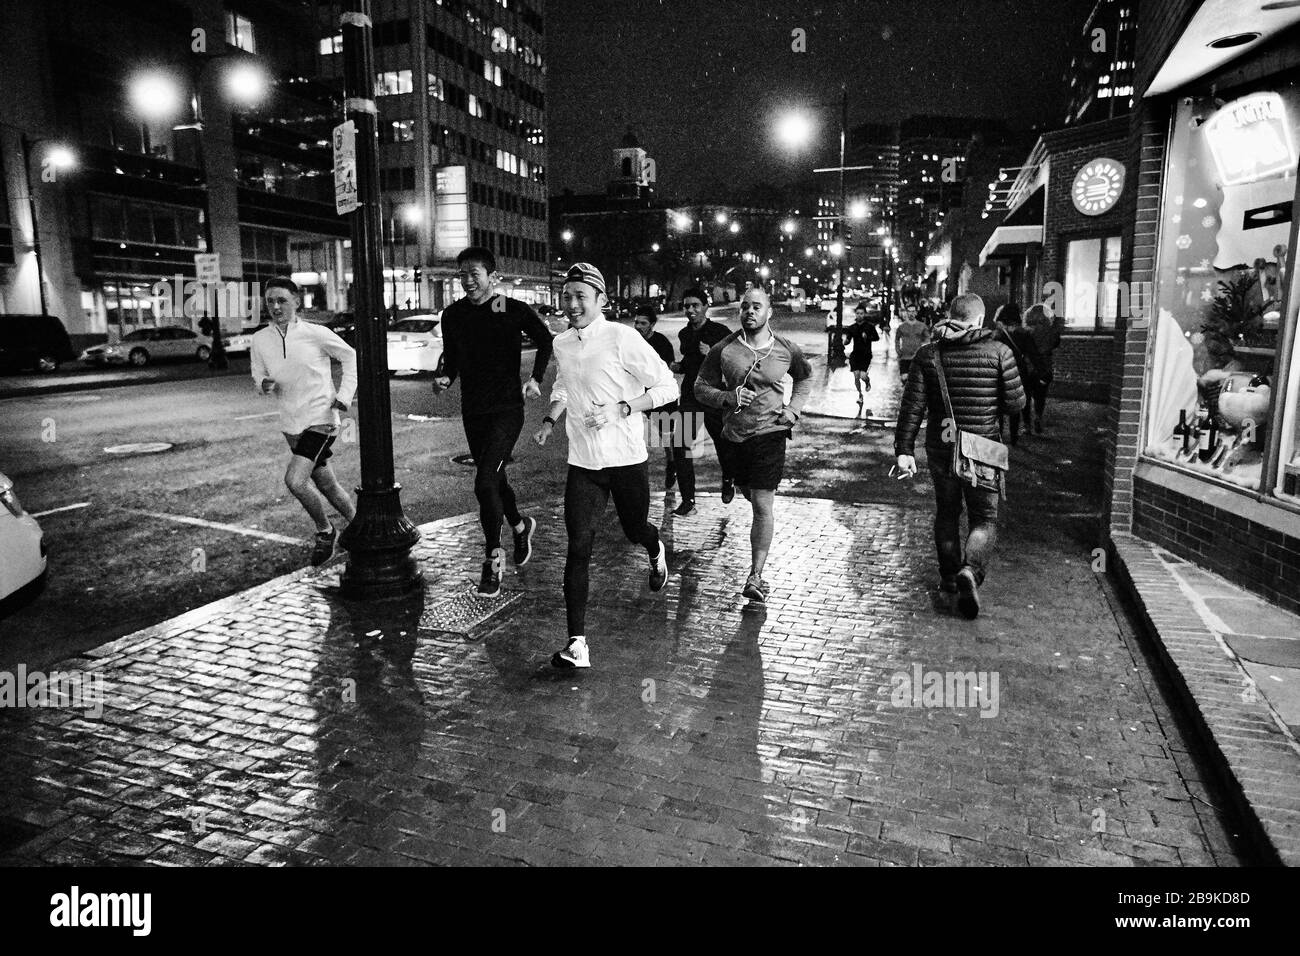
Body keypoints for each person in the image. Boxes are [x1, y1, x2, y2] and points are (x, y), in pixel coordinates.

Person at [533, 263, 677, 670]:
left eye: (581, 296)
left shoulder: (621, 337)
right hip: (584, 462)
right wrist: (550, 420)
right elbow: (564, 384)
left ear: (601, 300)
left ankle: (654, 547)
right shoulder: (562, 343)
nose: (572, 304)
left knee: (635, 530)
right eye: (567, 296)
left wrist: (623, 407)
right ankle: (577, 643)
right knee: (578, 545)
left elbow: (668, 386)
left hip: (626, 458)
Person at [894, 292, 1025, 620]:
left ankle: (950, 577)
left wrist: (903, 450)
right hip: (983, 449)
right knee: (984, 517)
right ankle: (971, 570)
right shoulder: (1000, 353)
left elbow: (913, 406)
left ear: (951, 316)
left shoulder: (929, 354)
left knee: (948, 513)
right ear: (980, 320)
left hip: (942, 448)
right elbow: (1015, 405)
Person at [432, 246, 554, 596]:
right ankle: (519, 526)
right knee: (495, 479)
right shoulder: (452, 314)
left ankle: (493, 560)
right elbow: (452, 357)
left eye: (475, 274)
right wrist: (445, 376)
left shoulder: (508, 308)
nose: (467, 281)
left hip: (506, 410)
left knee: (484, 483)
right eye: (462, 274)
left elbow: (545, 339)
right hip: (473, 411)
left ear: (492, 277)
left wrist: (536, 378)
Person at [694, 287, 812, 604]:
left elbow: (804, 378)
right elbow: (700, 388)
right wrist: (727, 398)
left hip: (771, 433)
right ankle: (743, 492)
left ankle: (755, 576)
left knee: (762, 504)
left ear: (768, 312)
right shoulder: (724, 349)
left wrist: (793, 409)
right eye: (745, 306)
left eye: (757, 306)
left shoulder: (786, 349)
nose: (750, 311)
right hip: (734, 436)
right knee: (749, 493)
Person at [250, 277, 358, 566]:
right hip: (290, 422)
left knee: (295, 481)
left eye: (281, 300)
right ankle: (361, 526)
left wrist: (344, 396)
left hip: (320, 418)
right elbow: (257, 374)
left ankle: (325, 531)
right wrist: (264, 384)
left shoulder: (315, 333)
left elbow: (351, 357)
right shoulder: (260, 340)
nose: (275, 306)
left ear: (297, 302)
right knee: (327, 484)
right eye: (270, 300)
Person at [669, 287, 734, 515]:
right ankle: (688, 500)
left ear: (706, 306)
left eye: (696, 305)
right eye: (687, 306)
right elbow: (689, 362)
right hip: (690, 395)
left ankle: (728, 478)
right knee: (680, 445)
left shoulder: (721, 331)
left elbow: (736, 361)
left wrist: (713, 353)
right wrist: (677, 367)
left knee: (722, 442)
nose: (691, 310)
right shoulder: (684, 334)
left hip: (714, 395)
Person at [632, 308, 678, 492]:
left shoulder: (661, 342)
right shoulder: (631, 342)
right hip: (636, 395)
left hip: (659, 396)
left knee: (665, 434)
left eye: (643, 323)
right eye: (636, 322)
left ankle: (672, 464)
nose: (638, 327)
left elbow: (665, 370)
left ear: (652, 324)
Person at [992, 303, 1044, 446]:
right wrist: (1041, 371)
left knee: (999, 405)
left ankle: (1000, 435)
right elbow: (1034, 354)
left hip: (999, 372)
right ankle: (1014, 437)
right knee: (1014, 405)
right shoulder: (1024, 334)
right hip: (1018, 372)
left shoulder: (997, 335)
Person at [1024, 303, 1061, 433]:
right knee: (1040, 395)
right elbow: (1056, 342)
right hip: (1044, 368)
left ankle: (1026, 425)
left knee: (1026, 397)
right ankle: (1038, 417)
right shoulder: (1050, 332)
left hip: (1028, 367)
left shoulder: (1027, 331)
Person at [843, 302, 879, 410]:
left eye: (861, 313)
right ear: (855, 314)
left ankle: (867, 382)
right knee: (856, 376)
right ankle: (860, 395)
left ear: (864, 314)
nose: (859, 315)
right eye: (858, 313)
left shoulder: (869, 327)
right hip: (855, 355)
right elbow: (848, 339)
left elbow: (876, 338)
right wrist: (845, 341)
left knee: (863, 376)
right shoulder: (852, 327)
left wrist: (867, 337)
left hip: (866, 355)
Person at [895, 308, 929, 380]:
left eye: (913, 311)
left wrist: (924, 351)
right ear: (907, 313)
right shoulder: (901, 327)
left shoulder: (922, 326)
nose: (911, 313)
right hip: (905, 356)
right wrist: (898, 350)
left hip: (917, 357)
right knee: (904, 378)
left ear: (916, 313)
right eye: (909, 311)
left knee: (916, 379)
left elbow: (927, 339)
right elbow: (897, 339)